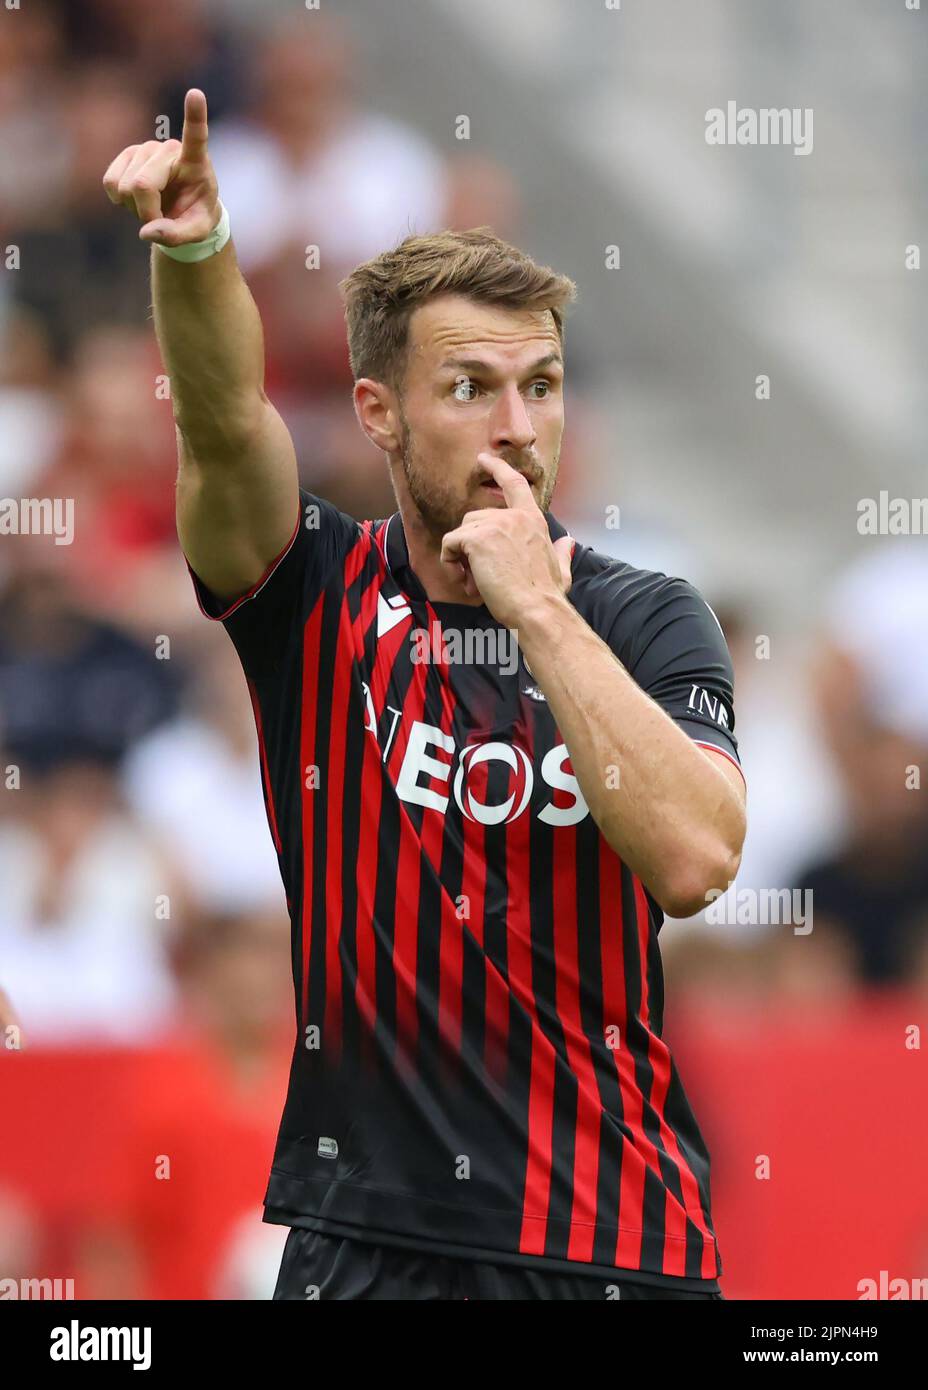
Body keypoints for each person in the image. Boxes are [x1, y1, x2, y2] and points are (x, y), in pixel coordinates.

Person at [103, 89, 746, 1301]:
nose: (517, 429)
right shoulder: (317, 597)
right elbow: (227, 424)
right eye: (469, 390)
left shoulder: (645, 616)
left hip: (610, 1238)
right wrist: (195, 251)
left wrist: (537, 612)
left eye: (541, 386)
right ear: (378, 412)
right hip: (364, 1242)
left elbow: (696, 858)